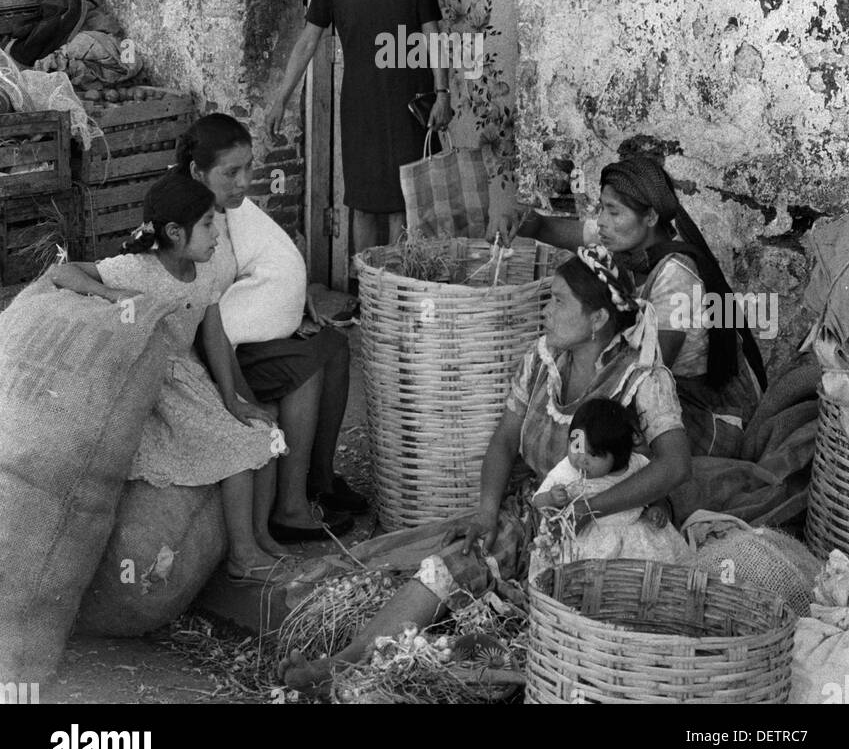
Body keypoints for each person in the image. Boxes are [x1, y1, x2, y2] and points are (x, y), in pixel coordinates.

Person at [278, 245, 691, 688]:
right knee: (448, 566)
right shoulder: (542, 361)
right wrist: (488, 511)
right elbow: (504, 441)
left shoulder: (641, 379)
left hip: (609, 528)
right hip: (537, 511)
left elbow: (675, 465)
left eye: (558, 301)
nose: (546, 312)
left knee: (562, 624)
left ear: (598, 321)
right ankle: (341, 664)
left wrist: (591, 509)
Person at [50, 170, 290, 584]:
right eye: (209, 225)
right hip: (153, 387)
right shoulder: (137, 271)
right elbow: (63, 272)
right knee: (238, 447)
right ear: (176, 232)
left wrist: (231, 399)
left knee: (265, 431)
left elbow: (213, 333)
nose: (217, 234)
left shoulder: (210, 268)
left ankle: (260, 537)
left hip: (190, 379)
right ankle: (242, 557)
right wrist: (112, 296)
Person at [174, 113, 367, 543]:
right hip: (222, 345)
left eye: (249, 168)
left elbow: (251, 264)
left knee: (335, 346)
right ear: (196, 172)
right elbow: (209, 312)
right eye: (232, 172)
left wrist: (298, 293)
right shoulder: (194, 222)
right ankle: (290, 508)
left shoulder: (220, 208)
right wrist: (232, 396)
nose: (245, 182)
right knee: (306, 367)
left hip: (244, 327)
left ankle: (320, 478)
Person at [264, 0, 452, 272]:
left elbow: (435, 39)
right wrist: (282, 97)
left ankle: (398, 288)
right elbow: (306, 44)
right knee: (363, 203)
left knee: (405, 201)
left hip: (409, 105)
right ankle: (366, 291)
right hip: (360, 105)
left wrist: (443, 94)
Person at [596, 154, 767, 457]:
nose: (601, 221)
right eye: (601, 209)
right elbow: (565, 233)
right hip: (673, 392)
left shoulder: (676, 275)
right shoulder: (632, 244)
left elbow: (646, 371)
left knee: (609, 448)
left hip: (709, 413)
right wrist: (534, 225)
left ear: (649, 217)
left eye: (612, 212)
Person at [529, 396, 689, 578]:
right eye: (576, 445)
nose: (581, 458)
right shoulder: (566, 471)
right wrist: (550, 497)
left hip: (635, 541)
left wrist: (656, 508)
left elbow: (655, 492)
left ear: (618, 454)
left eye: (594, 454)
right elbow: (537, 501)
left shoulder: (636, 465)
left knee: (647, 579)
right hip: (587, 544)